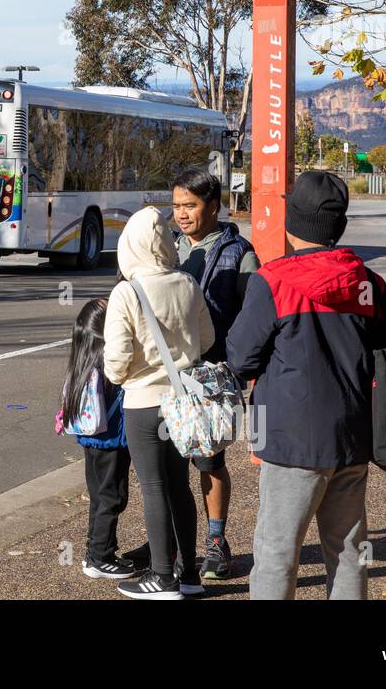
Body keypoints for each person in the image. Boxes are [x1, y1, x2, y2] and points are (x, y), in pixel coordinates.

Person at [227, 171, 386, 600]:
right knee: (349, 550)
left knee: (278, 550)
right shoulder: (369, 284)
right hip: (353, 435)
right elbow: (380, 352)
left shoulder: (272, 281)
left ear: (292, 222)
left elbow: (241, 359)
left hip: (289, 438)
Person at [104, 206, 214, 599]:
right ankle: (189, 573)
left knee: (152, 488)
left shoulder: (126, 291)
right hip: (183, 403)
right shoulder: (186, 282)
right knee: (180, 487)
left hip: (143, 403)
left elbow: (116, 361)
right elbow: (207, 340)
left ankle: (162, 577)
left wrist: (122, 374)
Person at [170, 167, 258, 580]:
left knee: (208, 461)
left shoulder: (239, 252)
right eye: (176, 206)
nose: (181, 214)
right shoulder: (166, 248)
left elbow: (253, 316)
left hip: (211, 376)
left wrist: (237, 368)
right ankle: (171, 543)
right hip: (166, 374)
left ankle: (216, 543)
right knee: (168, 465)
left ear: (214, 206)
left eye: (190, 205)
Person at [58, 298, 135, 580]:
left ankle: (102, 551)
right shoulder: (108, 358)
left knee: (100, 496)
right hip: (112, 439)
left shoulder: (83, 357)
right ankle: (98, 557)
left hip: (92, 439)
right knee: (112, 497)